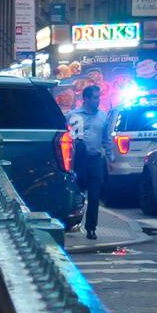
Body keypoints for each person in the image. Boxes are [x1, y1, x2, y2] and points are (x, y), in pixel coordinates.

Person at [67, 84, 111, 239]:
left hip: (95, 160)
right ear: (85, 98)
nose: (98, 100)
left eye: (99, 97)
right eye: (95, 97)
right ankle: (71, 222)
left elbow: (106, 139)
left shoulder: (103, 116)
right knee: (76, 192)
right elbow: (71, 139)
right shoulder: (74, 115)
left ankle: (91, 228)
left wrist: (110, 157)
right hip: (79, 161)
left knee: (94, 195)